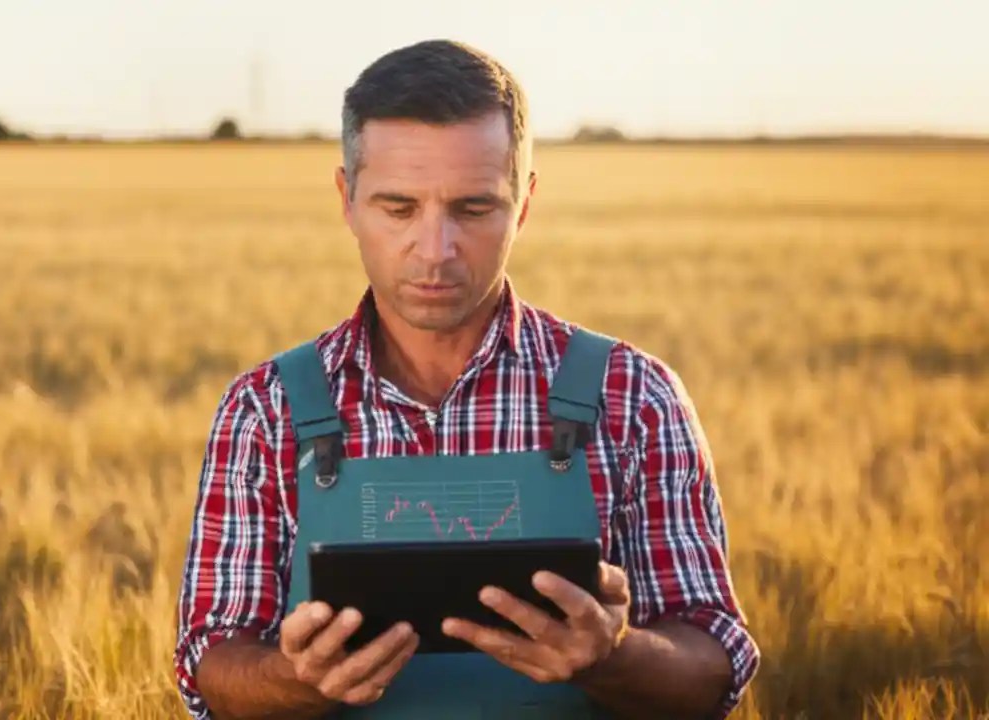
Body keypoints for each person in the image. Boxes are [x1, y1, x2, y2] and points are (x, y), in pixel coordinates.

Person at [174, 39, 759, 719]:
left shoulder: (635, 397)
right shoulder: (263, 410)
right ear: (346, 199)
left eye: (473, 209)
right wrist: (296, 678)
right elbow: (209, 663)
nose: (435, 249)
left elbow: (715, 668)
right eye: (398, 208)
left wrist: (614, 653)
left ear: (526, 202)